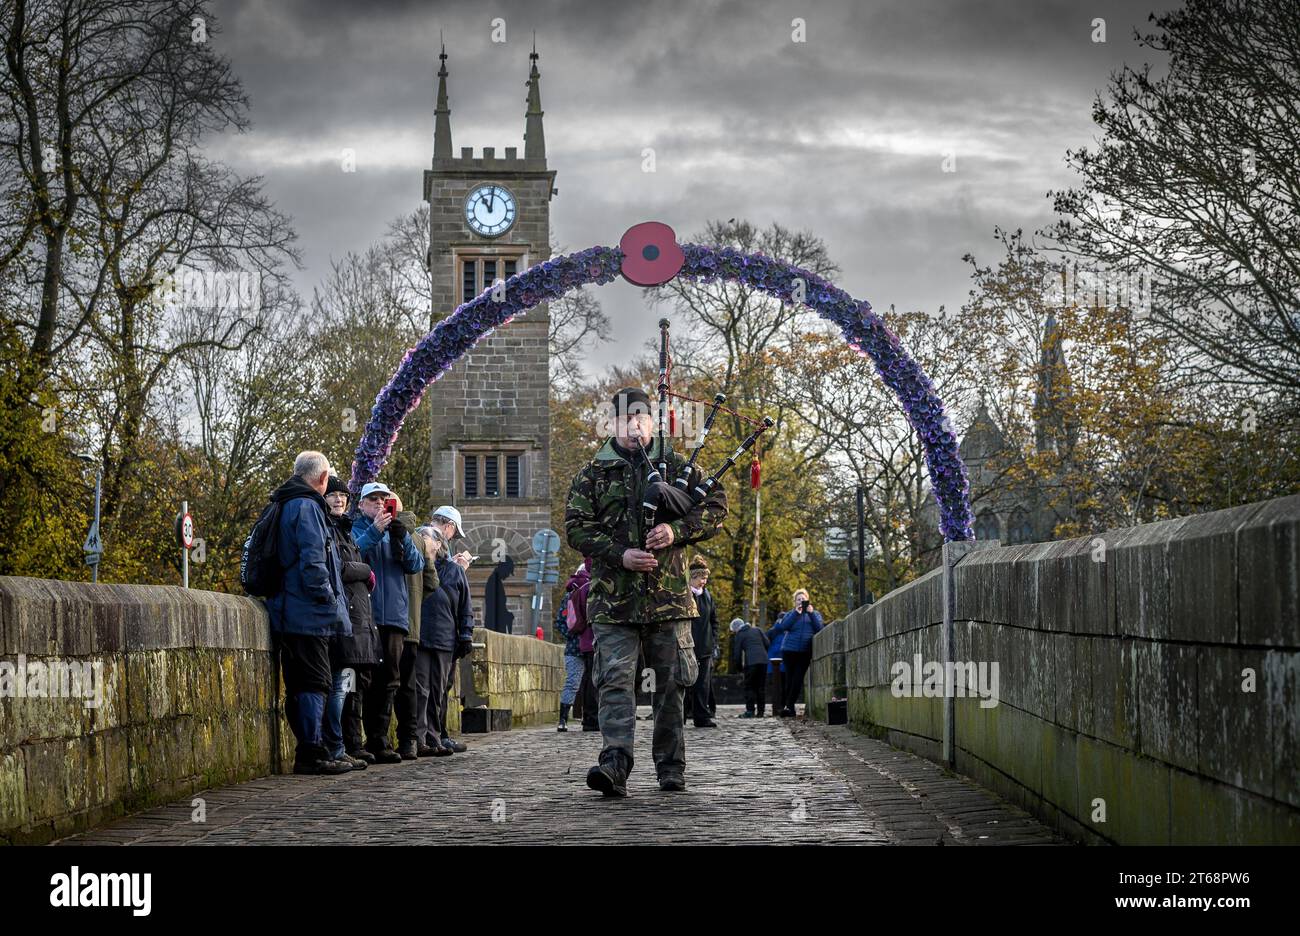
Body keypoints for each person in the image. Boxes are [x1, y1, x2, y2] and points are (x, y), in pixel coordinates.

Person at [565, 386, 728, 796]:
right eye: (624, 420)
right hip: (613, 603)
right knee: (615, 683)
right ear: (612, 423)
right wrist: (620, 555)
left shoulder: (676, 466)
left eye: (641, 419)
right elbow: (576, 528)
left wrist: (676, 530)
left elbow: (716, 508)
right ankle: (615, 763)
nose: (633, 426)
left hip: (670, 602)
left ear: (652, 422)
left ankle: (671, 766)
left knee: (670, 688)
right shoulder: (593, 474)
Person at [264, 451, 353, 775]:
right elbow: (314, 564)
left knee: (302, 683)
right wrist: (329, 602)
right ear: (323, 478)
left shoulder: (284, 501)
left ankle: (309, 749)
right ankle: (311, 752)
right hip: (307, 613)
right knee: (314, 683)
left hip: (290, 610)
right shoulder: (306, 507)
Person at [351, 481, 424, 763]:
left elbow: (415, 566)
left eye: (383, 500)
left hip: (394, 616)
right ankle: (363, 741)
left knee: (390, 680)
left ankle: (380, 740)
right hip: (366, 615)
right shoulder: (357, 529)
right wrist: (374, 531)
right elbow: (352, 553)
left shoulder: (396, 532)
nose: (379, 504)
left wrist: (402, 537)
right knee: (365, 679)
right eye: (373, 500)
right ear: (361, 505)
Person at [321, 474, 374, 769]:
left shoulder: (346, 530)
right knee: (337, 685)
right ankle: (335, 747)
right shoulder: (328, 528)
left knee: (345, 685)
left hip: (351, 619)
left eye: (343, 496)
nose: (339, 500)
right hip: (336, 619)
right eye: (333, 495)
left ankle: (341, 746)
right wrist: (365, 570)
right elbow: (335, 567)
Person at [417, 506, 475, 756]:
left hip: (444, 638)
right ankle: (422, 737)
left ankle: (435, 735)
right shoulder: (418, 565)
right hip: (422, 634)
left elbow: (464, 605)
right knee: (421, 689)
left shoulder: (453, 570)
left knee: (438, 689)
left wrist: (465, 635)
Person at [395, 498, 438, 759]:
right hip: (411, 626)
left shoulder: (375, 533)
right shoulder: (420, 540)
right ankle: (408, 739)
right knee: (407, 685)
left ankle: (380, 741)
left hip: (383, 622)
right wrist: (416, 599)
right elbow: (432, 581)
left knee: (382, 685)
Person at [769, 588, 823, 717]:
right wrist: (796, 613)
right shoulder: (790, 614)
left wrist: (810, 613)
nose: (801, 601)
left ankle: (789, 705)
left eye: (803, 599)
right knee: (789, 679)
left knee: (797, 679)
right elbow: (784, 627)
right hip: (789, 650)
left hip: (804, 652)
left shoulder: (815, 614)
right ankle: (790, 708)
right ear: (795, 602)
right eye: (798, 599)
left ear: (808, 600)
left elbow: (819, 628)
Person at [685, 556, 718, 729]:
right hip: (686, 646)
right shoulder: (684, 594)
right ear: (692, 577)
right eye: (701, 578)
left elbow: (714, 621)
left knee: (702, 685)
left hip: (704, 647)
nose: (704, 581)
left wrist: (713, 641)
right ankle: (680, 716)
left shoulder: (707, 596)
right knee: (683, 683)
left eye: (706, 578)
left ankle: (702, 716)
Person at [555, 561, 589, 732]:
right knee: (596, 683)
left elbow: (560, 623)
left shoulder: (569, 597)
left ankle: (563, 720)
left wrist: (572, 635)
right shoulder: (593, 592)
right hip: (591, 645)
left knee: (572, 683)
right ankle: (591, 719)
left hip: (574, 647)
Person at [566, 556, 599, 731]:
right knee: (595, 679)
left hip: (584, 639)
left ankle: (588, 718)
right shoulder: (591, 588)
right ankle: (593, 719)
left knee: (587, 679)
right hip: (594, 638)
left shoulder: (580, 588)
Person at [730, 617, 770, 718]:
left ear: (736, 629)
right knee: (761, 687)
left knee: (750, 686)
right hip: (763, 661)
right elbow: (767, 643)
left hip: (751, 663)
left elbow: (737, 654)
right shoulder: (757, 630)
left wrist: (739, 668)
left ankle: (750, 711)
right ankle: (761, 712)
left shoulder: (740, 635)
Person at [764, 611, 786, 718]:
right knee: (782, 687)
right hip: (780, 664)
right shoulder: (780, 631)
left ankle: (778, 708)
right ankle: (780, 708)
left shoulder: (772, 631)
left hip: (774, 664)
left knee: (777, 688)